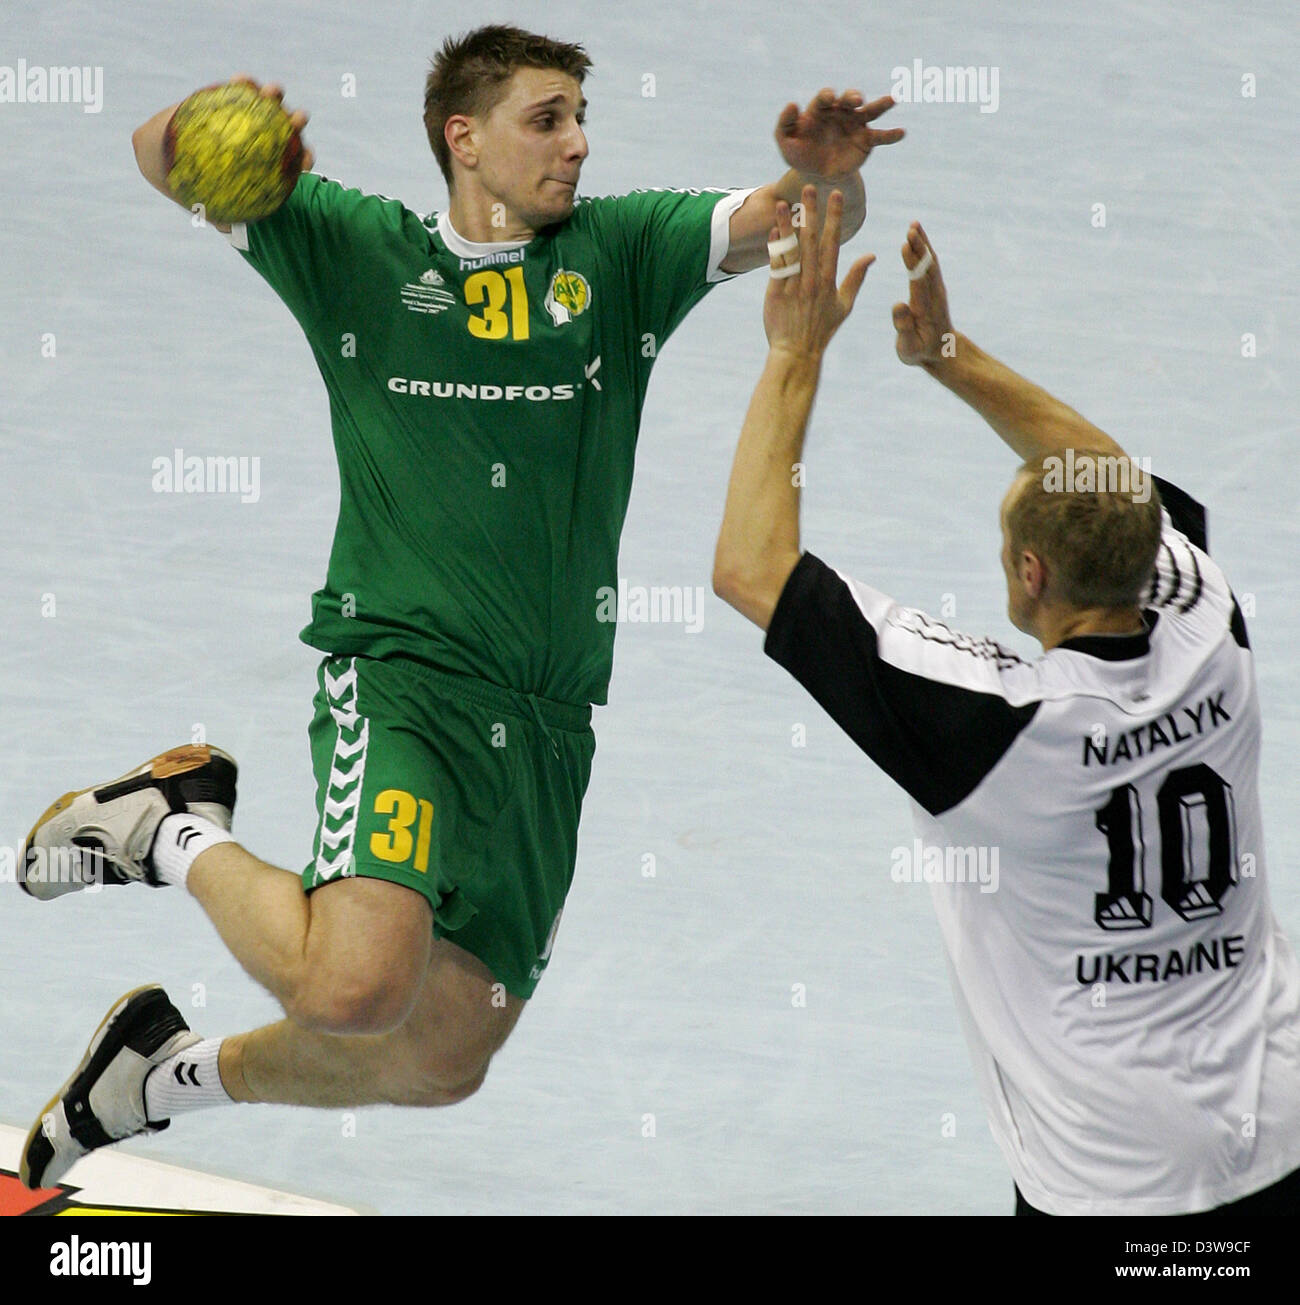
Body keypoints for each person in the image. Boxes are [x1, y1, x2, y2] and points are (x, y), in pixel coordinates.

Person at [18, 25, 906, 1190]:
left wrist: (823, 171)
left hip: (544, 718)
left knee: (441, 1056)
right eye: (547, 120)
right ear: (463, 138)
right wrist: (213, 118)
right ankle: (171, 828)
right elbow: (154, 153)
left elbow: (780, 220)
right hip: (403, 678)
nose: (577, 145)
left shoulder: (622, 255)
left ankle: (158, 1075)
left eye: (583, 119)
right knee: (351, 987)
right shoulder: (352, 250)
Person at [711, 186, 1300, 1214]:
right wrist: (952, 357)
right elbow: (1119, 488)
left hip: (1113, 1182)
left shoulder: (988, 731)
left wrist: (794, 352)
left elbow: (751, 569)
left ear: (1029, 573)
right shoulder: (1214, 631)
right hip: (1282, 1131)